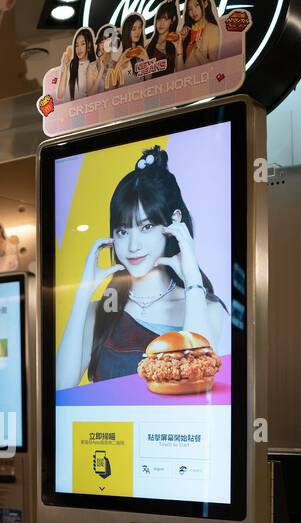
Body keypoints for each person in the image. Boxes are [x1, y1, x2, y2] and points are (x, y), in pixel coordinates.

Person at [55, 146, 229, 389]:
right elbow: (62, 388)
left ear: (173, 222)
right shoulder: (101, 313)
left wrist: (192, 280)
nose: (133, 245)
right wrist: (83, 293)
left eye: (146, 227)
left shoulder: (208, 308)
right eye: (123, 231)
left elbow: (200, 386)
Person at [56, 27, 97, 102]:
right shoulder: (70, 65)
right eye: (76, 45)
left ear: (89, 45)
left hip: (87, 107)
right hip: (70, 109)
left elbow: (94, 94)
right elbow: (60, 94)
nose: (79, 48)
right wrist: (65, 68)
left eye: (83, 44)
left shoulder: (94, 66)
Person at [180, 0, 221, 66]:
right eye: (190, 9)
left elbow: (214, 66)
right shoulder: (188, 32)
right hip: (187, 75)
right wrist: (180, 42)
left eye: (197, 5)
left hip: (203, 75)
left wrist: (198, 52)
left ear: (205, 3)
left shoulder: (212, 29)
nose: (194, 12)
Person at [147, 2, 181, 77]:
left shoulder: (176, 43)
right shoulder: (148, 48)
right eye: (159, 19)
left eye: (165, 19)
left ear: (173, 20)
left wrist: (178, 48)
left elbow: (180, 72)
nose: (161, 24)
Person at [117, 13, 148, 85]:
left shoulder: (142, 53)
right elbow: (113, 83)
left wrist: (146, 59)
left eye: (140, 28)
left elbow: (148, 79)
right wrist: (120, 62)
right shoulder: (123, 56)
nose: (137, 32)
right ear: (127, 31)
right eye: (134, 29)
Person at [90, 24, 120, 93]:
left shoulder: (117, 65)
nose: (104, 45)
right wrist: (101, 71)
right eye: (101, 42)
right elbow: (90, 94)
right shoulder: (91, 67)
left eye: (107, 41)